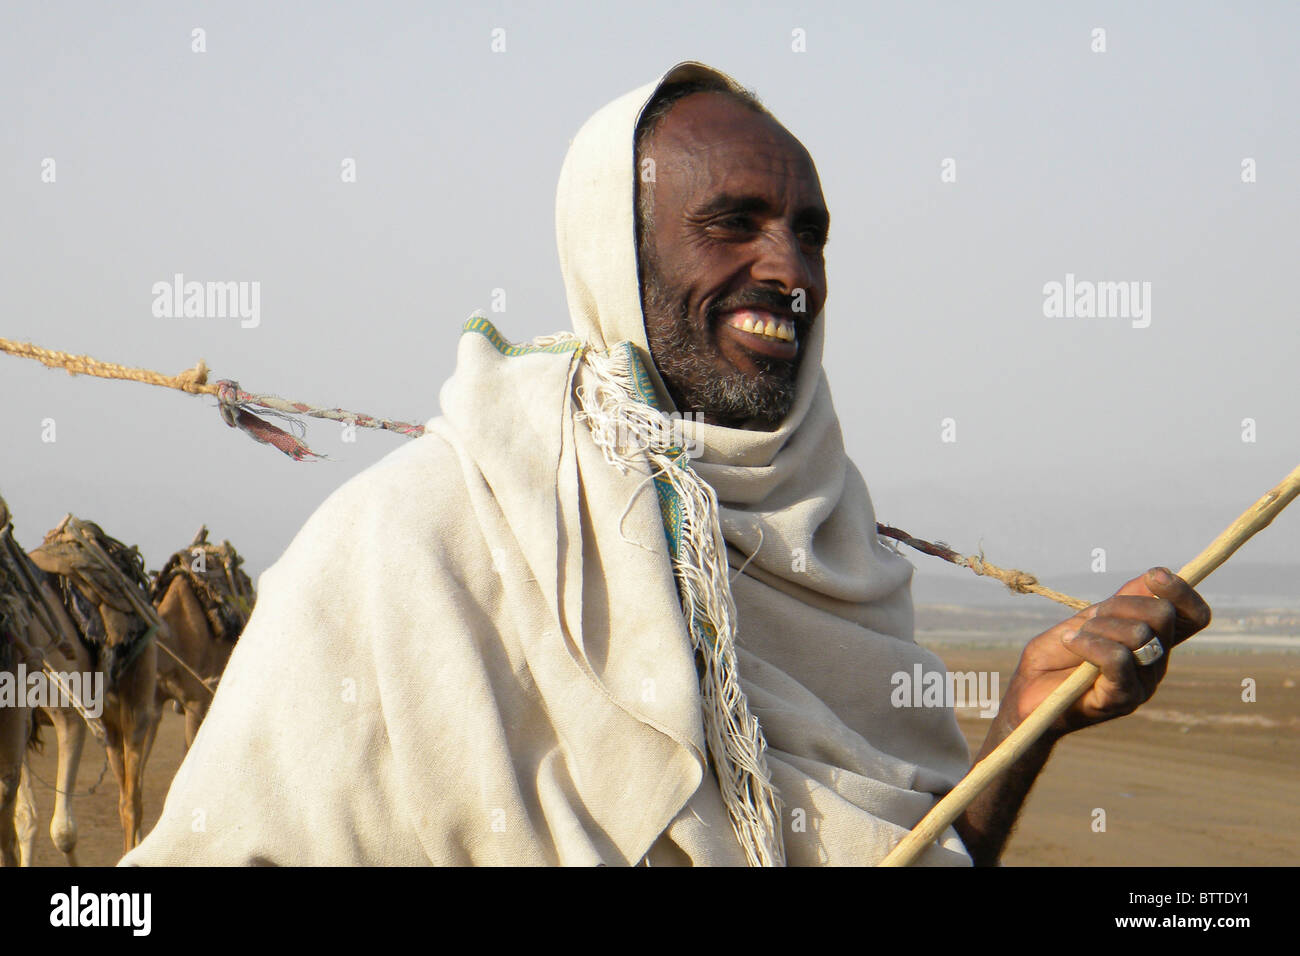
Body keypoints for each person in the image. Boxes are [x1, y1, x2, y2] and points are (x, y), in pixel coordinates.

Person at [120, 61, 1210, 867]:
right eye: (731, 224)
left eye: (809, 232)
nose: (788, 270)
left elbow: (920, 853)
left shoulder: (835, 546)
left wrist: (1025, 723)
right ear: (616, 255)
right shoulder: (412, 538)